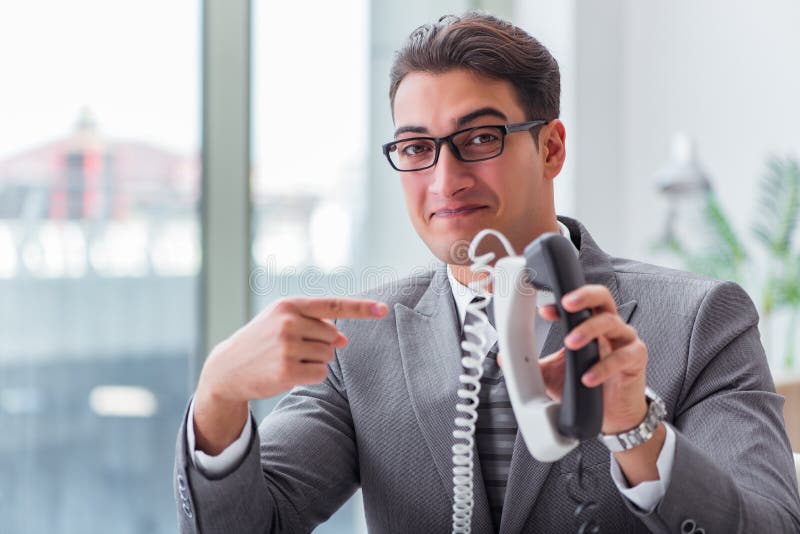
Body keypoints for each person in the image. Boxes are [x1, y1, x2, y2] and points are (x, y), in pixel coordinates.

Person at [174, 12, 800, 533]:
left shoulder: (699, 320)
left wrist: (636, 432)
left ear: (551, 148)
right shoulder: (358, 340)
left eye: (479, 139)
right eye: (417, 148)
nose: (445, 180)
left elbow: (768, 524)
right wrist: (218, 398)